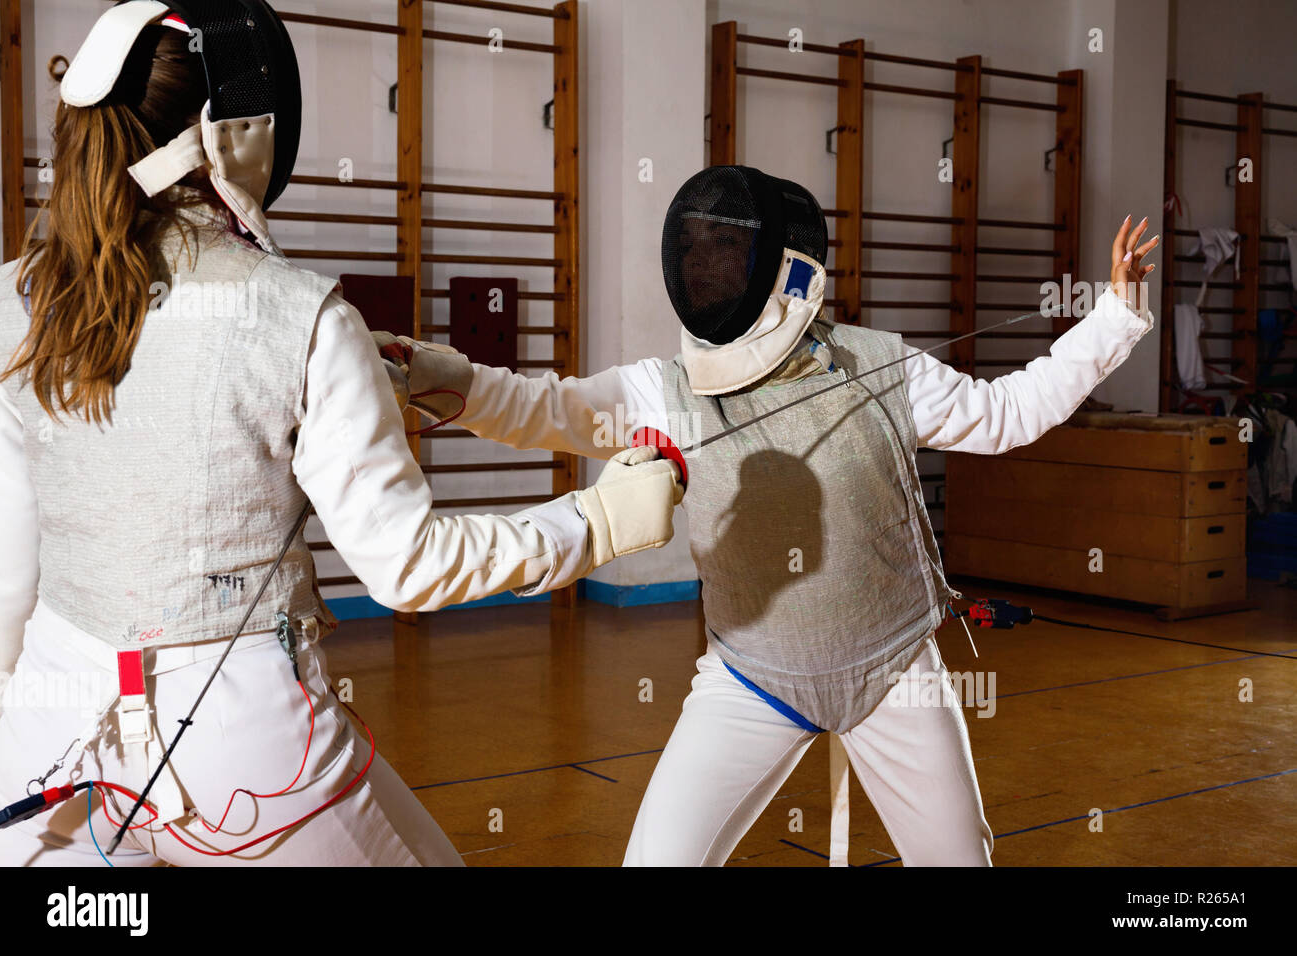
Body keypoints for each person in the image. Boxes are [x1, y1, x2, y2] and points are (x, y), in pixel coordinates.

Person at [0, 0, 681, 867]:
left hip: (53, 740)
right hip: (245, 749)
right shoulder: (300, 313)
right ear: (237, 135)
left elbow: (12, 565)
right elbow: (408, 566)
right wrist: (599, 521)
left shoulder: (17, 299)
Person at [388, 165, 1160, 866]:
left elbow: (1006, 414)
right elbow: (546, 409)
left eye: (725, 247)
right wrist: (432, 375)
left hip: (894, 672)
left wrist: (1114, 318)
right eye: (692, 247)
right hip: (753, 678)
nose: (702, 264)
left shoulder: (879, 362)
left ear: (786, 269)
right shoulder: (669, 389)